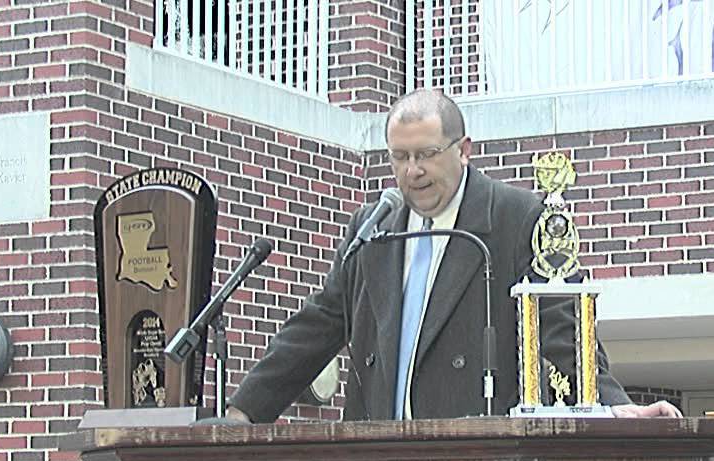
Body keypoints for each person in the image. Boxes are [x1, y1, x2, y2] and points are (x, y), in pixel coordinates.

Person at [227, 89, 680, 422]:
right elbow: (317, 327)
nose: (412, 171)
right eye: (399, 157)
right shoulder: (373, 227)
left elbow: (562, 329)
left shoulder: (518, 219)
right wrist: (244, 411)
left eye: (426, 154)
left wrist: (616, 407)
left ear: (464, 151)